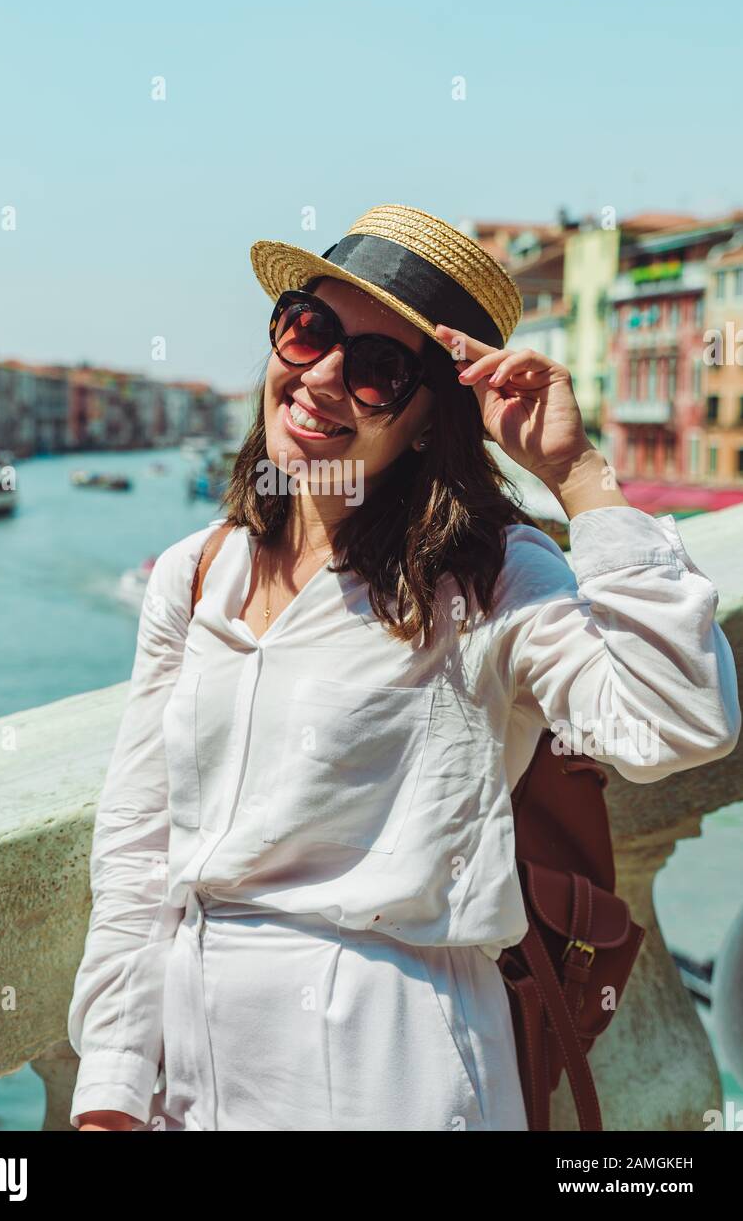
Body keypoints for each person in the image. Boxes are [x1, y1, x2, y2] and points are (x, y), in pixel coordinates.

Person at [67, 203, 741, 1132]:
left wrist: (579, 474)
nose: (323, 378)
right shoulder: (192, 575)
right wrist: (108, 1086)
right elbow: (140, 850)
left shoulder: (490, 578)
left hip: (391, 1072)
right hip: (195, 1078)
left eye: (381, 370)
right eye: (309, 329)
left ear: (432, 418)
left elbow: (681, 721)